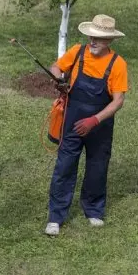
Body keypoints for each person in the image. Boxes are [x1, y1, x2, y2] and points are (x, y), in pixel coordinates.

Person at [45, 14, 128, 236]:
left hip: (99, 125)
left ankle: (93, 210)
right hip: (72, 121)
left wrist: (94, 120)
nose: (92, 41)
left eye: (98, 38)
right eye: (91, 36)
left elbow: (118, 100)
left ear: (109, 41)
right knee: (64, 167)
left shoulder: (117, 64)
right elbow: (56, 67)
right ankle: (55, 217)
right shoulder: (77, 52)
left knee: (97, 167)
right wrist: (58, 80)